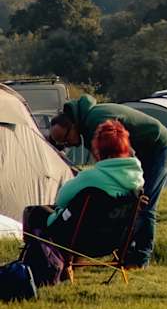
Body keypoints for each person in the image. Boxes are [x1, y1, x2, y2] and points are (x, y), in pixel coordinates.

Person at [47, 96, 167, 269]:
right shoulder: (86, 125)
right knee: (128, 198)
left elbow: (125, 163)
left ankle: (140, 259)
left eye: (65, 138)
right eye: (60, 143)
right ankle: (126, 252)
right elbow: (108, 167)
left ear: (73, 125)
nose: (66, 144)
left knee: (145, 203)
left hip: (158, 146)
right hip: (139, 149)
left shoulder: (98, 123)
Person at [18, 119, 144, 290]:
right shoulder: (136, 184)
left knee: (34, 213)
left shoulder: (90, 179)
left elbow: (61, 200)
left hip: (81, 241)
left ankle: (35, 267)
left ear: (98, 150)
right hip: (113, 242)